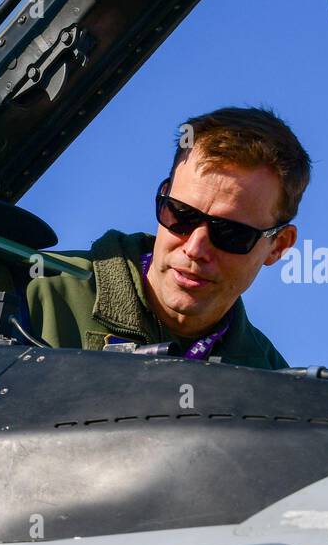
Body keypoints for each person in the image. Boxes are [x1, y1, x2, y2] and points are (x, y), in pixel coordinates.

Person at [28, 105, 309, 368]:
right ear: (163, 197)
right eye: (181, 214)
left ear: (278, 246)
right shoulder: (28, 295)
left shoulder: (275, 389)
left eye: (230, 233)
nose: (195, 248)